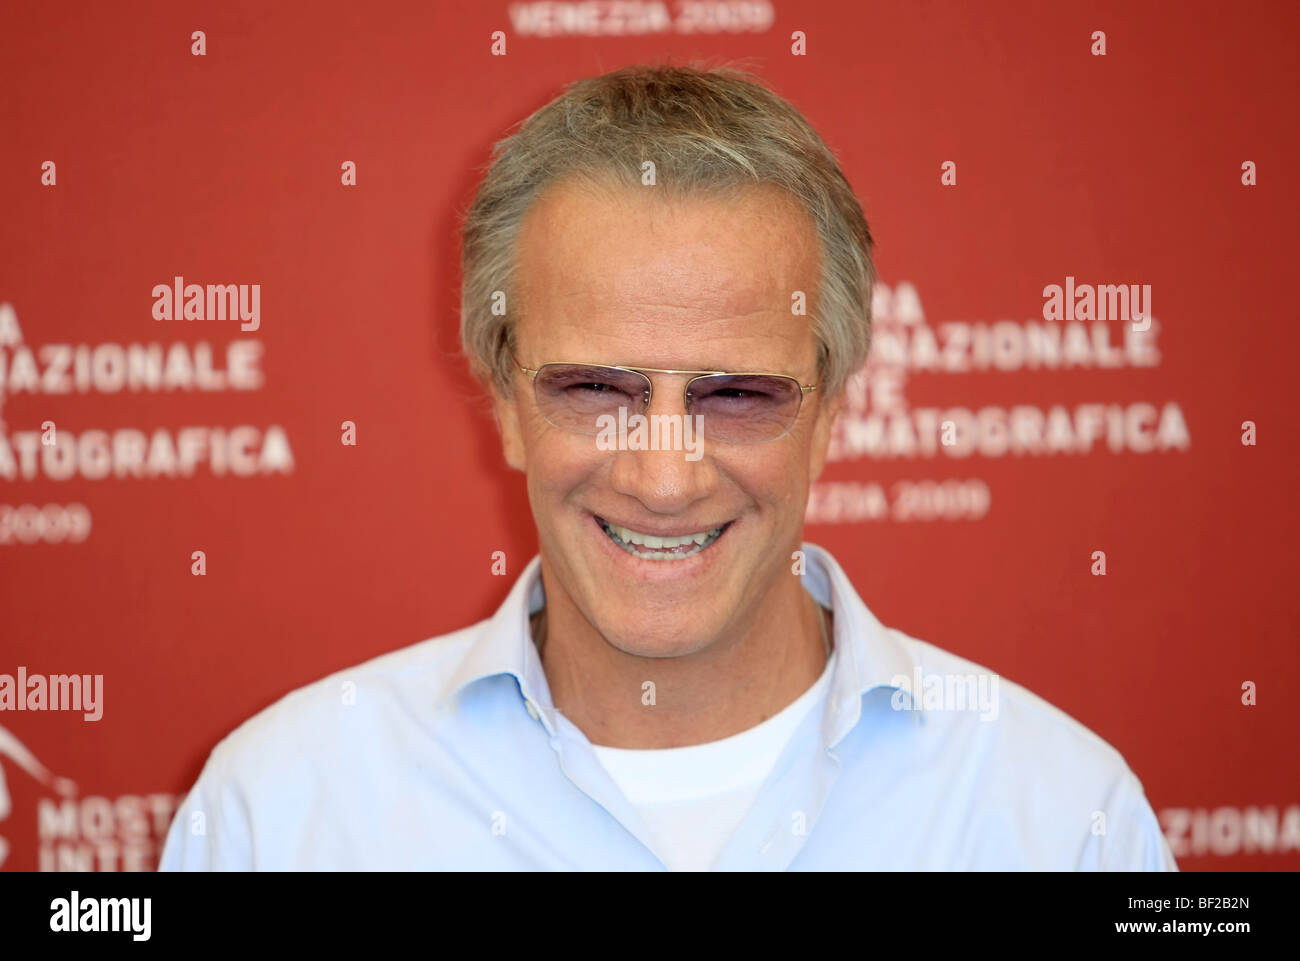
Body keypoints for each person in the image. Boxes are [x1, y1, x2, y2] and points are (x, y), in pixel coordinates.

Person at [160, 64, 1176, 871]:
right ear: (505, 400)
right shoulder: (283, 809)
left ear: (829, 412)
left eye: (736, 396)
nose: (662, 477)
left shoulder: (1060, 817)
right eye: (595, 392)